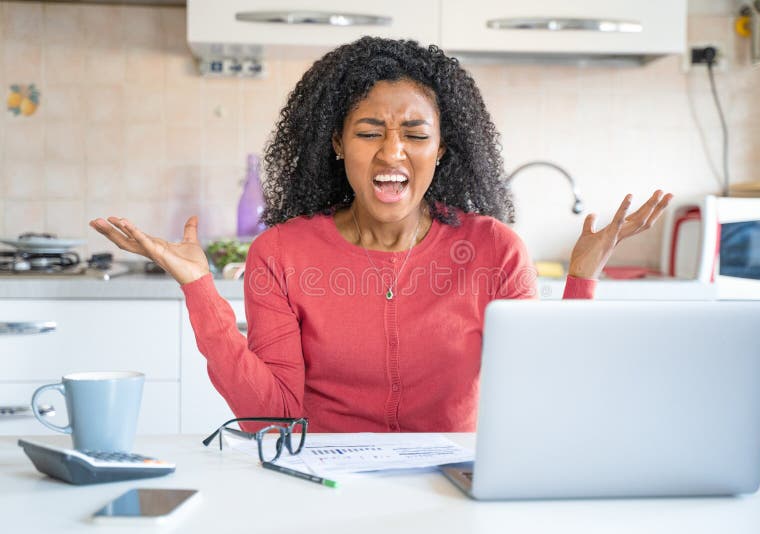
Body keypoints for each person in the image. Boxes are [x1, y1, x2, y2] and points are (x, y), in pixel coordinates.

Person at [90, 37, 671, 433]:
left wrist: (581, 279)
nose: (393, 152)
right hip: (324, 481)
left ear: (442, 150)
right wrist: (199, 288)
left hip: (452, 488)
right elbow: (272, 419)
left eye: (415, 134)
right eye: (370, 132)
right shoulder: (282, 253)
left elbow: (547, 396)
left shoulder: (494, 250)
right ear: (338, 143)